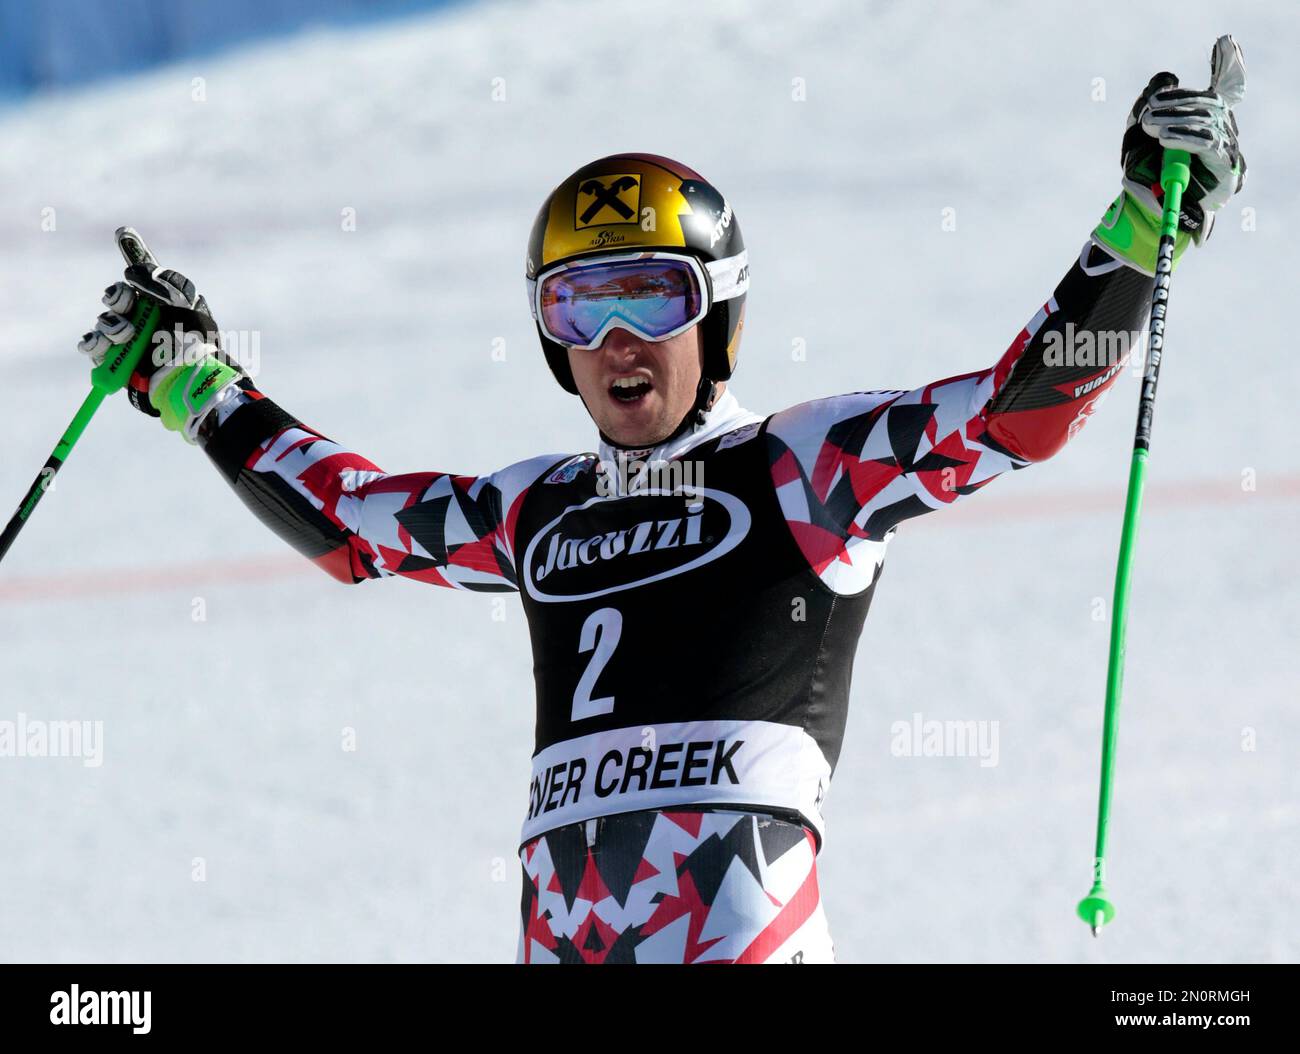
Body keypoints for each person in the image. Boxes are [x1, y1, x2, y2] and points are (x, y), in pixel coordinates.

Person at [76, 40, 1246, 963]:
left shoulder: (801, 470)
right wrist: (193, 384)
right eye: (578, 309)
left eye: (648, 297)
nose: (615, 342)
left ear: (720, 317)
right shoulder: (535, 512)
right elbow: (352, 523)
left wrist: (1138, 231)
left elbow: (1009, 414)